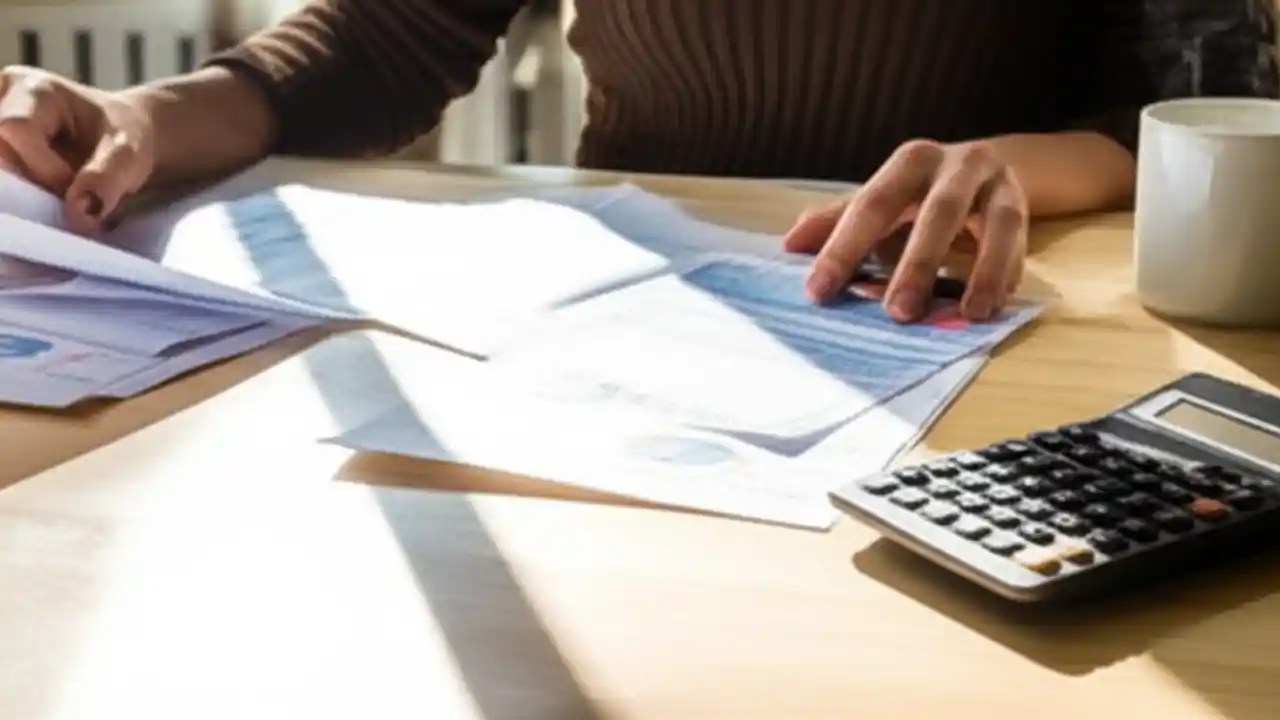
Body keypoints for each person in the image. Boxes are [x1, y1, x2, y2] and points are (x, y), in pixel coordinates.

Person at [0, 1, 1275, 322]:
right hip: (645, 320)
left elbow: (1210, 101)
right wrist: (147, 116)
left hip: (999, 302)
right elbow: (386, 40)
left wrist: (1006, 164)